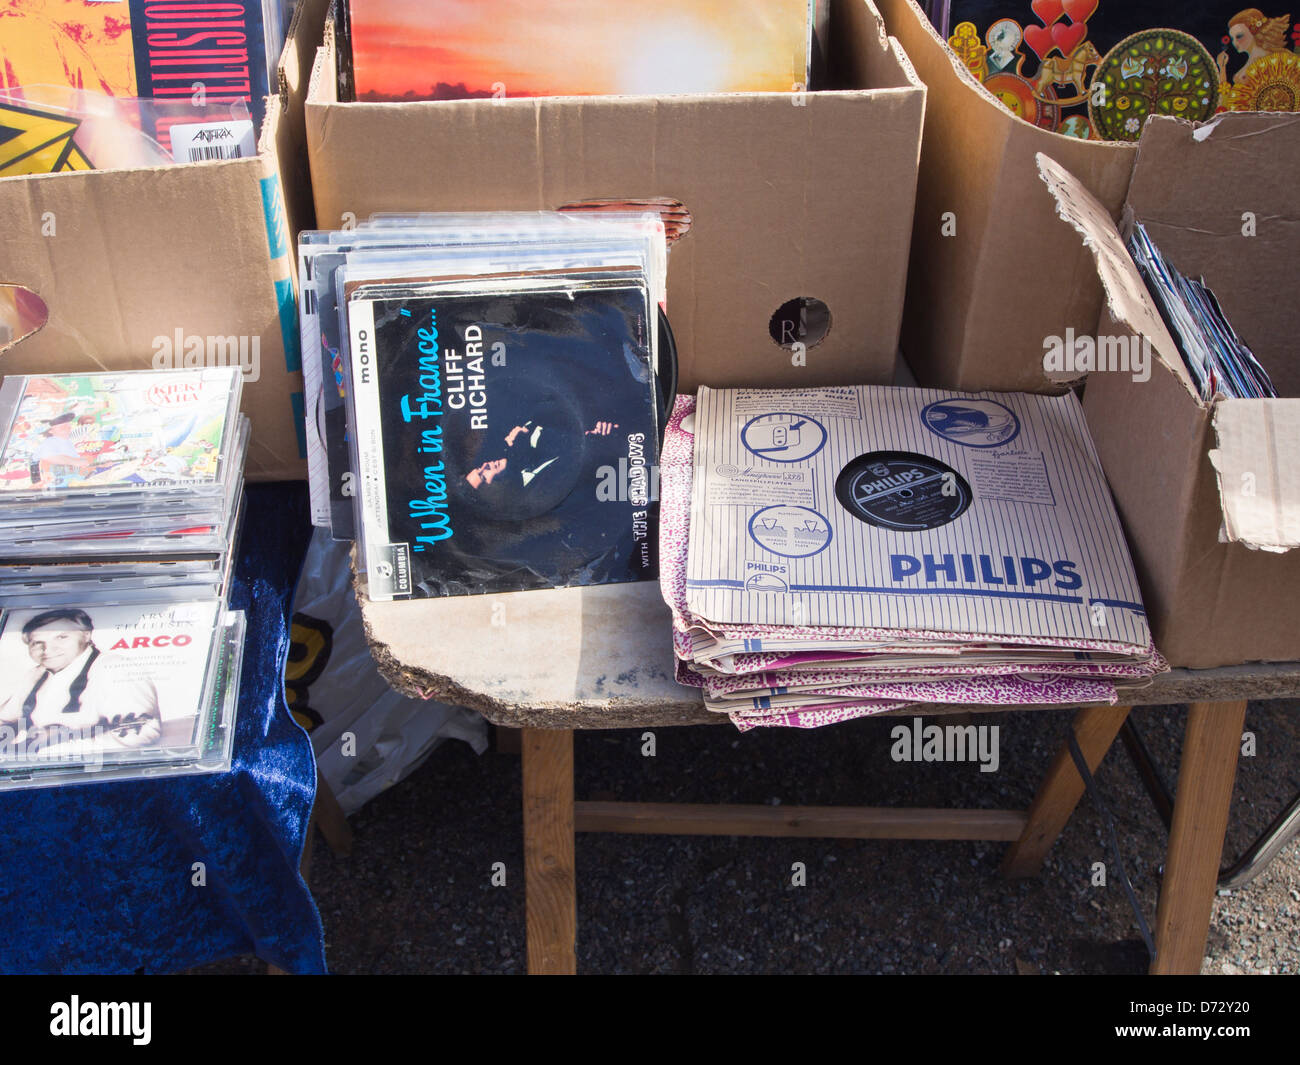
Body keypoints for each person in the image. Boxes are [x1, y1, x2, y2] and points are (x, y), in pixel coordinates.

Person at [0, 608, 162, 753]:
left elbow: (140, 733)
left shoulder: (115, 668)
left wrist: (46, 751)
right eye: (37, 643)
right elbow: (5, 718)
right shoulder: (37, 674)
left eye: (61, 637)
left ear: (86, 635)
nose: (47, 650)